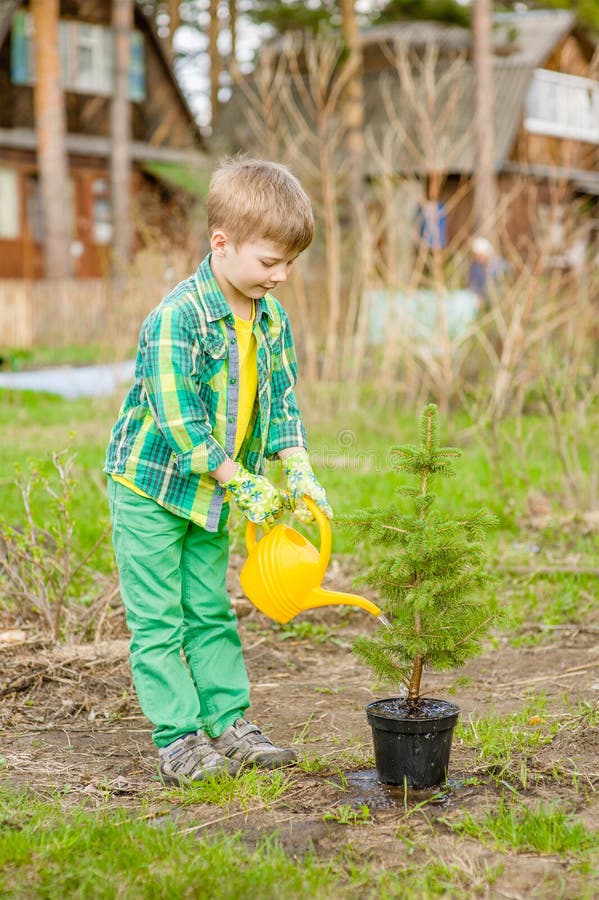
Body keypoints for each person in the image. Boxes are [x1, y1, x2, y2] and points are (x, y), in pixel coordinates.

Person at [104, 157, 333, 786]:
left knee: (209, 606)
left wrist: (297, 467)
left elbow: (281, 400)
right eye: (268, 262)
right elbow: (183, 430)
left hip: (212, 493)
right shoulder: (176, 320)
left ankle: (228, 720)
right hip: (151, 487)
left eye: (289, 263)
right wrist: (241, 480)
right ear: (221, 243)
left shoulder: (270, 319)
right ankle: (178, 736)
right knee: (159, 618)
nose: (281, 276)